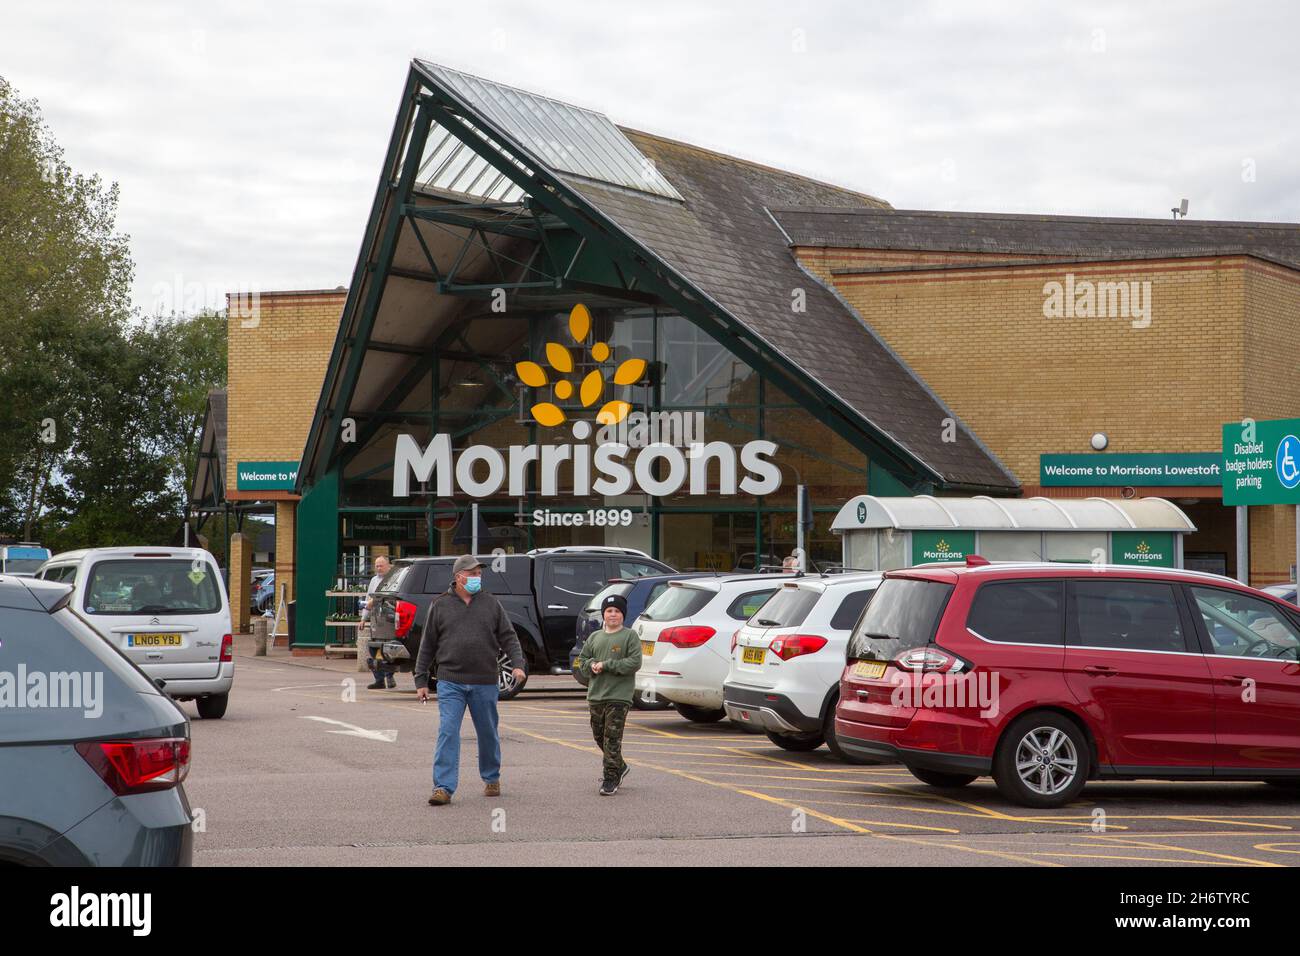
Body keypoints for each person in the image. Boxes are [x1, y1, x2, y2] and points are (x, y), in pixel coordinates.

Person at [416, 555, 526, 806]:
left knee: (487, 732)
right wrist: (421, 680)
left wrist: (518, 665)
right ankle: (443, 787)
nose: (477, 577)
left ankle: (491, 777)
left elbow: (509, 637)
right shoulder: (440, 605)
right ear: (458, 577)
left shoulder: (491, 603)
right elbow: (428, 645)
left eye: (479, 573)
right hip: (450, 680)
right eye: (472, 573)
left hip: (484, 680)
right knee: (448, 731)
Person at [573, 592, 641, 795]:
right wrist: (591, 665)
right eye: (609, 611)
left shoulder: (629, 636)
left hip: (618, 697)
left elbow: (634, 662)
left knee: (612, 738)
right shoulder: (595, 637)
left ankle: (611, 778)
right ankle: (620, 765)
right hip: (596, 696)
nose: (613, 615)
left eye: (617, 611)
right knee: (599, 736)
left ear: (623, 615)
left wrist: (608, 665)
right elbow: (582, 661)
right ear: (603, 614)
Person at [361, 555, 394, 689]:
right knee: (374, 649)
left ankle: (390, 676)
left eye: (381, 565)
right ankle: (380, 679)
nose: (378, 568)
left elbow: (389, 597)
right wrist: (363, 618)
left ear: (388, 566)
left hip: (389, 620)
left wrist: (373, 602)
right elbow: (368, 599)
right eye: (376, 565)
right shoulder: (374, 580)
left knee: (388, 650)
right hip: (376, 620)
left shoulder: (393, 579)